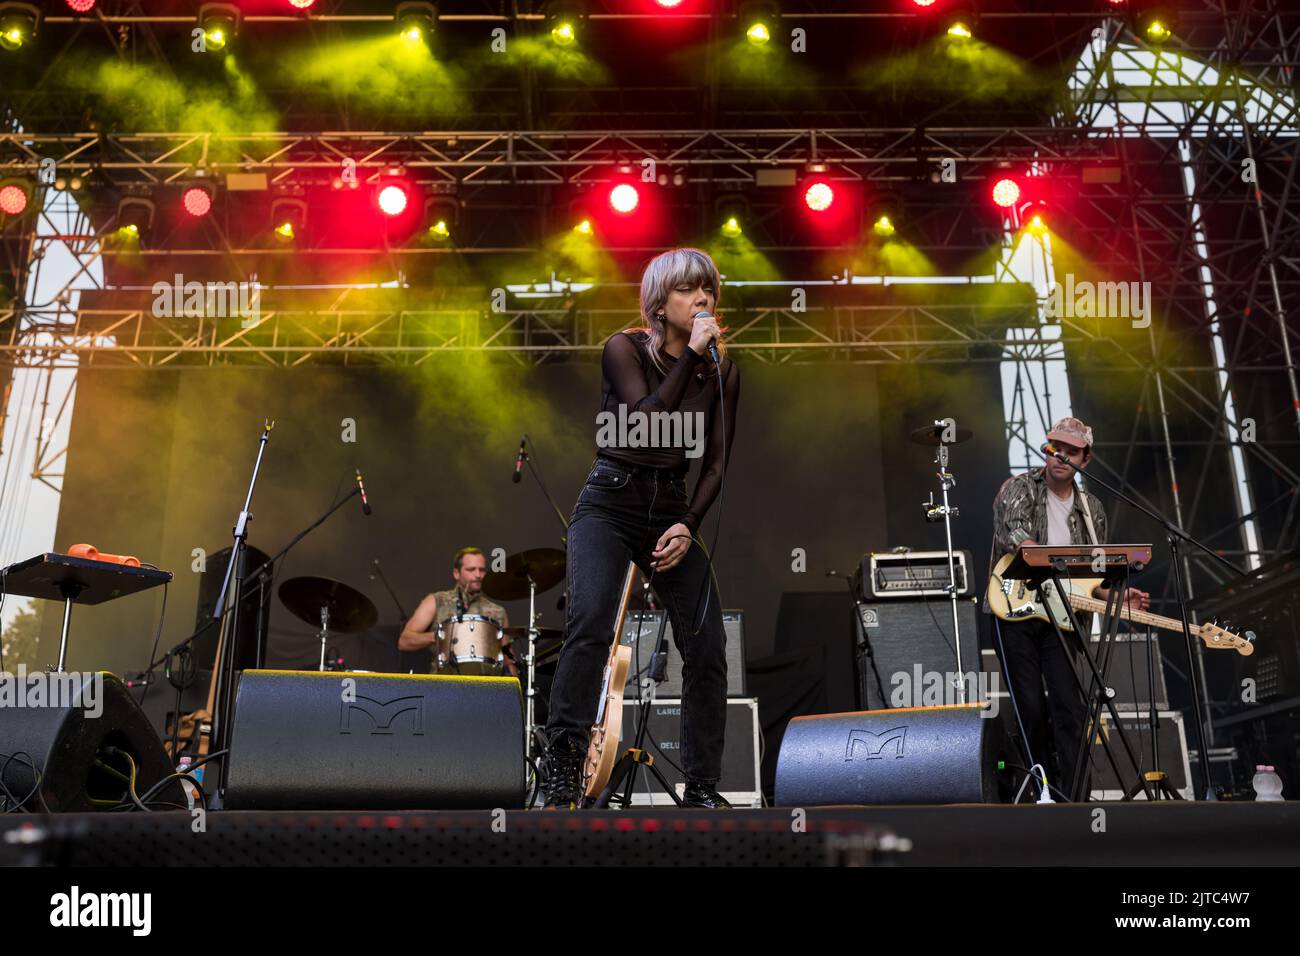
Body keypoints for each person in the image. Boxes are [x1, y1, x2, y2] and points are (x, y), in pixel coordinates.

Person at [540, 247, 740, 810]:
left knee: (707, 645)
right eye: (686, 290)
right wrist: (691, 357)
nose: (702, 299)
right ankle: (561, 770)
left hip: (671, 509)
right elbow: (646, 420)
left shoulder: (723, 371)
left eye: (707, 289)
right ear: (659, 303)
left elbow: (717, 462)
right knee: (590, 628)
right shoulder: (622, 349)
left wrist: (687, 524)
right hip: (610, 501)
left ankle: (700, 785)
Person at [990, 416, 1149, 798]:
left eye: (1070, 450)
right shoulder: (1019, 488)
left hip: (1065, 619)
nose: (1060, 455)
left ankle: (1074, 796)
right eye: (1054, 447)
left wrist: (1117, 596)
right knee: (1029, 705)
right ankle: (1038, 791)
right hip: (1017, 608)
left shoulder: (1092, 509)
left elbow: (1093, 582)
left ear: (1085, 459)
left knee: (1068, 704)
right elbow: (1019, 541)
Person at [399, 547, 514, 676]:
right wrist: (442, 636)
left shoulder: (498, 611)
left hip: (486, 684)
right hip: (443, 683)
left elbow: (507, 655)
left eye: (482, 570)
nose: (478, 575)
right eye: (471, 569)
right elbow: (405, 641)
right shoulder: (437, 601)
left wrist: (515, 685)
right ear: (456, 573)